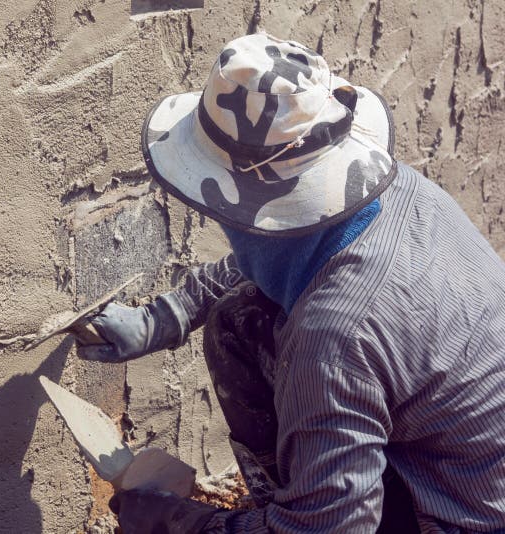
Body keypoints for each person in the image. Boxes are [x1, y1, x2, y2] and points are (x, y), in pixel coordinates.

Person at [72, 33, 505, 533]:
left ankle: (295, 505)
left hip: (469, 518)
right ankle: (301, 495)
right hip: (466, 465)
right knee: (240, 321)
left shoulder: (334, 338)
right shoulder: (402, 192)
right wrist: (167, 315)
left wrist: (177, 523)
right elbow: (289, 245)